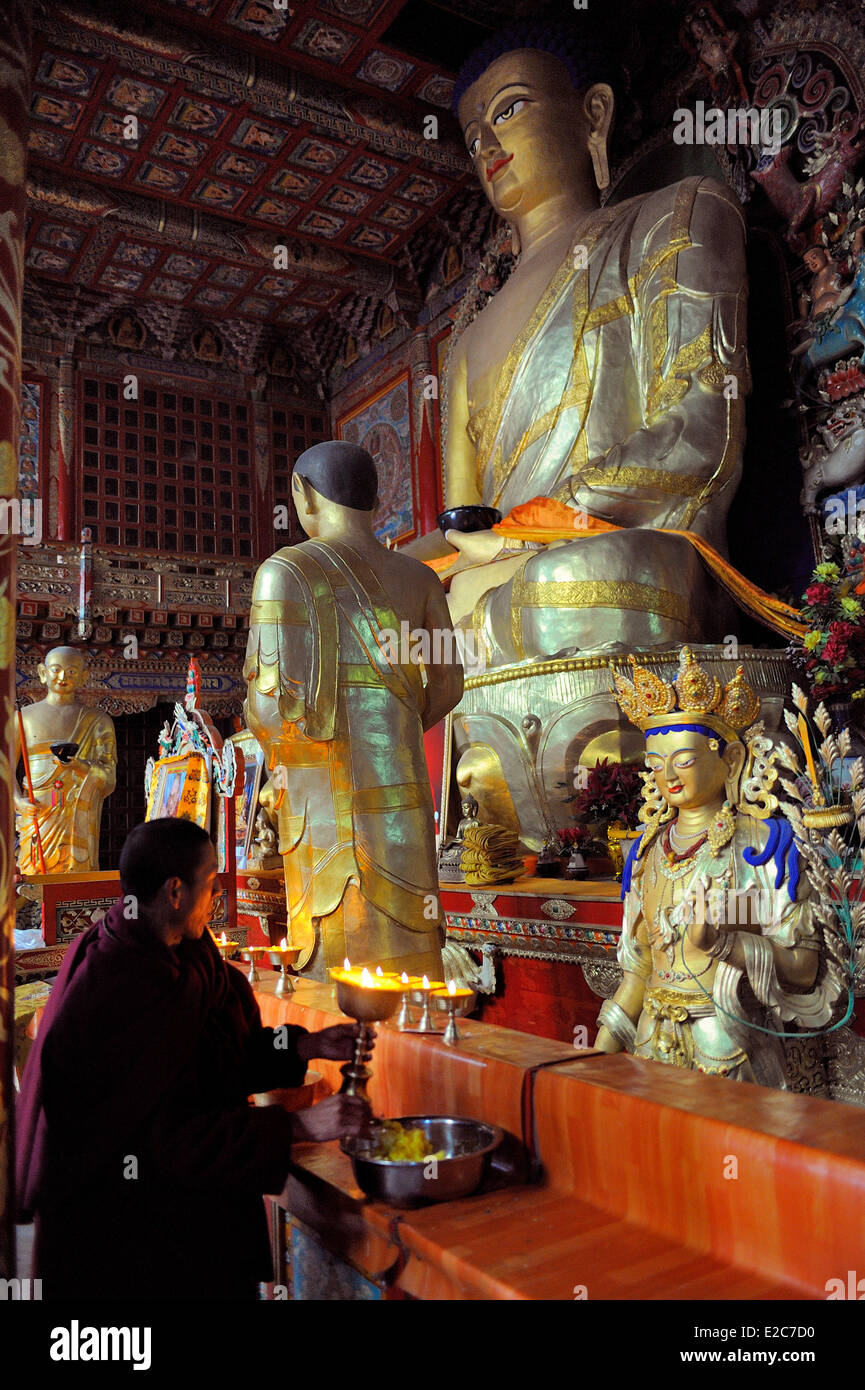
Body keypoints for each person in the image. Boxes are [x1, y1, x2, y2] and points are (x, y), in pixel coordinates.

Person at [407, 21, 771, 664]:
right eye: (471, 135)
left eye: (509, 109)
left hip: (619, 561)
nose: (486, 143)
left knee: (565, 580)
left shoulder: (679, 214)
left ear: (593, 113)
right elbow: (464, 526)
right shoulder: (465, 346)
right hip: (496, 577)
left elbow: (701, 428)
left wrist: (533, 530)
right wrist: (360, 574)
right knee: (370, 629)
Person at [16, 818, 368, 1300]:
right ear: (176, 891)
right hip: (133, 1239)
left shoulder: (184, 953)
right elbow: (167, 1139)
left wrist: (306, 1046)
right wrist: (299, 1126)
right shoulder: (116, 984)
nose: (218, 895)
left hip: (191, 1219)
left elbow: (219, 1059)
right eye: (212, 882)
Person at [244, 442, 463, 980]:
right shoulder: (421, 577)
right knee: (411, 947)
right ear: (375, 500)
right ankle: (419, 1023)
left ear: (303, 495)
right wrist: (392, 733)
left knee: (335, 950)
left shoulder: (284, 570)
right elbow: (450, 683)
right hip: (403, 788)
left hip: (321, 795)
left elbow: (270, 707)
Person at [594, 649, 840, 1085]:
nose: (669, 776)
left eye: (684, 761)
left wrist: (724, 943)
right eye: (656, 764)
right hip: (651, 1047)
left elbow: (803, 968)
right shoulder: (646, 852)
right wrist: (591, 1060)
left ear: (731, 760)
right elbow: (638, 973)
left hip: (728, 1052)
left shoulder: (763, 847)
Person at [14, 646, 116, 874]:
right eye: (56, 669)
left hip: (78, 811)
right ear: (42, 673)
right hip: (38, 810)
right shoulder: (22, 717)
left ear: (84, 676)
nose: (63, 677)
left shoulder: (98, 720)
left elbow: (109, 777)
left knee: (77, 871)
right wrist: (18, 801)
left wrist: (79, 766)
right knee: (34, 872)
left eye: (71, 672)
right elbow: (5, 770)